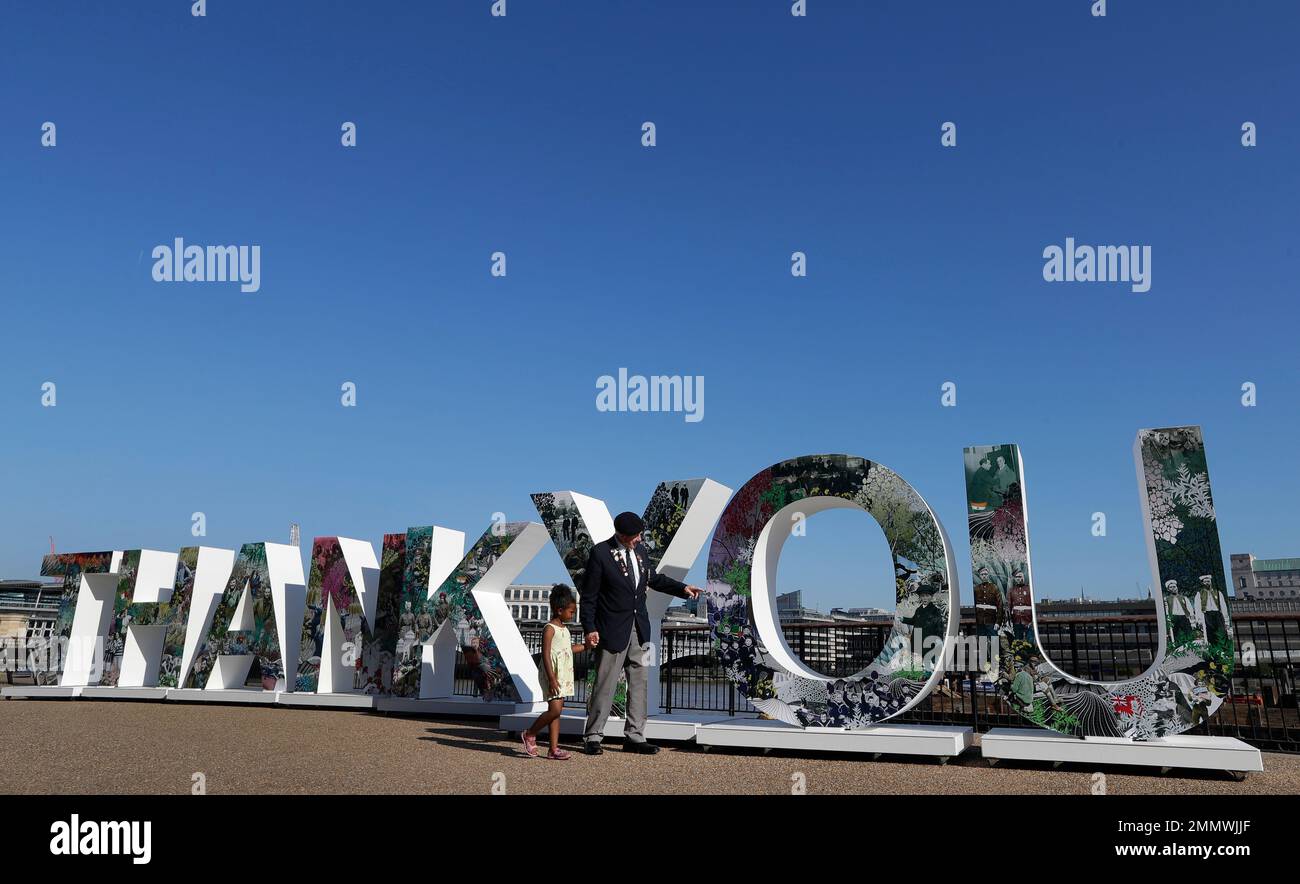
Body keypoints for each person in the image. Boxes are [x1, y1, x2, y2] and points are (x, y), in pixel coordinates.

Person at [581, 511, 702, 755]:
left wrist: (683, 588)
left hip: (640, 629)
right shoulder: (600, 553)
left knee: (640, 683)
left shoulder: (641, 552)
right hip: (611, 629)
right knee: (605, 684)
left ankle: (635, 736)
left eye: (640, 535)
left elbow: (654, 579)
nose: (639, 540)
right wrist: (589, 627)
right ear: (622, 535)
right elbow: (589, 596)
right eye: (635, 536)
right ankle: (593, 736)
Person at [521, 584, 588, 760]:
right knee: (556, 711)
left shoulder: (564, 629)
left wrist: (586, 646)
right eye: (571, 612)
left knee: (556, 711)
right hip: (553, 674)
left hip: (563, 674)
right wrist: (551, 678)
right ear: (559, 610)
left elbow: (567, 650)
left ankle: (553, 749)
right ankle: (530, 733)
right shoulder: (549, 628)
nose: (572, 615)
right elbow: (545, 653)